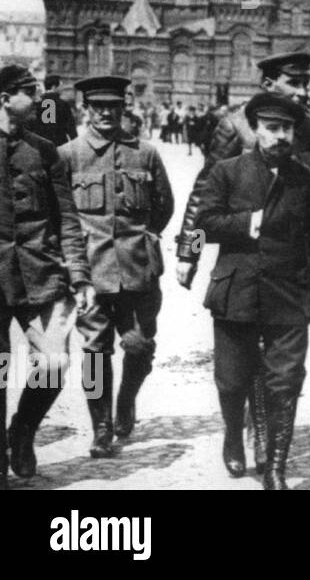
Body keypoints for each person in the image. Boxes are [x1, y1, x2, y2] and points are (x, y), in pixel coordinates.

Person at [175, 51, 310, 475]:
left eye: (306, 82)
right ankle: (237, 433)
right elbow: (201, 199)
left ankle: (274, 462)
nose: (304, 90)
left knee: (284, 377)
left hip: (288, 274)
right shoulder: (233, 127)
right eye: (294, 81)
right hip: (242, 272)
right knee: (234, 378)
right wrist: (188, 253)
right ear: (269, 82)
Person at [58, 76, 174, 459]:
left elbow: (164, 206)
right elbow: (63, 217)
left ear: (125, 107)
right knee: (95, 353)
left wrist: (146, 240)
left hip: (139, 271)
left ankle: (126, 399)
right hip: (91, 274)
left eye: (114, 106)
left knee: (140, 348)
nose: (106, 113)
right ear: (86, 108)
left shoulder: (146, 153)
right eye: (97, 106)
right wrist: (74, 269)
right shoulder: (68, 155)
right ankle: (102, 426)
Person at [0, 65, 93, 485]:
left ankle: (22, 431)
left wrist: (80, 275)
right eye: (29, 92)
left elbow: (67, 219)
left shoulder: (44, 150)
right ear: (5, 97)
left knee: (54, 362)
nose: (40, 99)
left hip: (40, 272)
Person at [26, 75, 79, 146]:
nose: (62, 88)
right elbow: (71, 128)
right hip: (59, 143)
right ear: (54, 87)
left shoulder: (37, 103)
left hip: (41, 143)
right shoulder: (63, 104)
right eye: (61, 86)